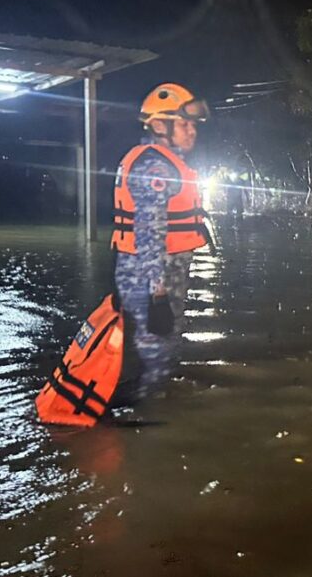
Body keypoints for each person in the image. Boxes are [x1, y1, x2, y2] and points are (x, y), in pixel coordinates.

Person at [110, 83, 210, 404]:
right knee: (156, 351)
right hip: (152, 278)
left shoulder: (163, 162)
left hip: (157, 277)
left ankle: (153, 404)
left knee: (162, 346)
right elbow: (148, 233)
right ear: (158, 125)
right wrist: (157, 294)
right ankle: (147, 418)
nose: (192, 131)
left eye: (193, 125)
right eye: (184, 124)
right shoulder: (156, 167)